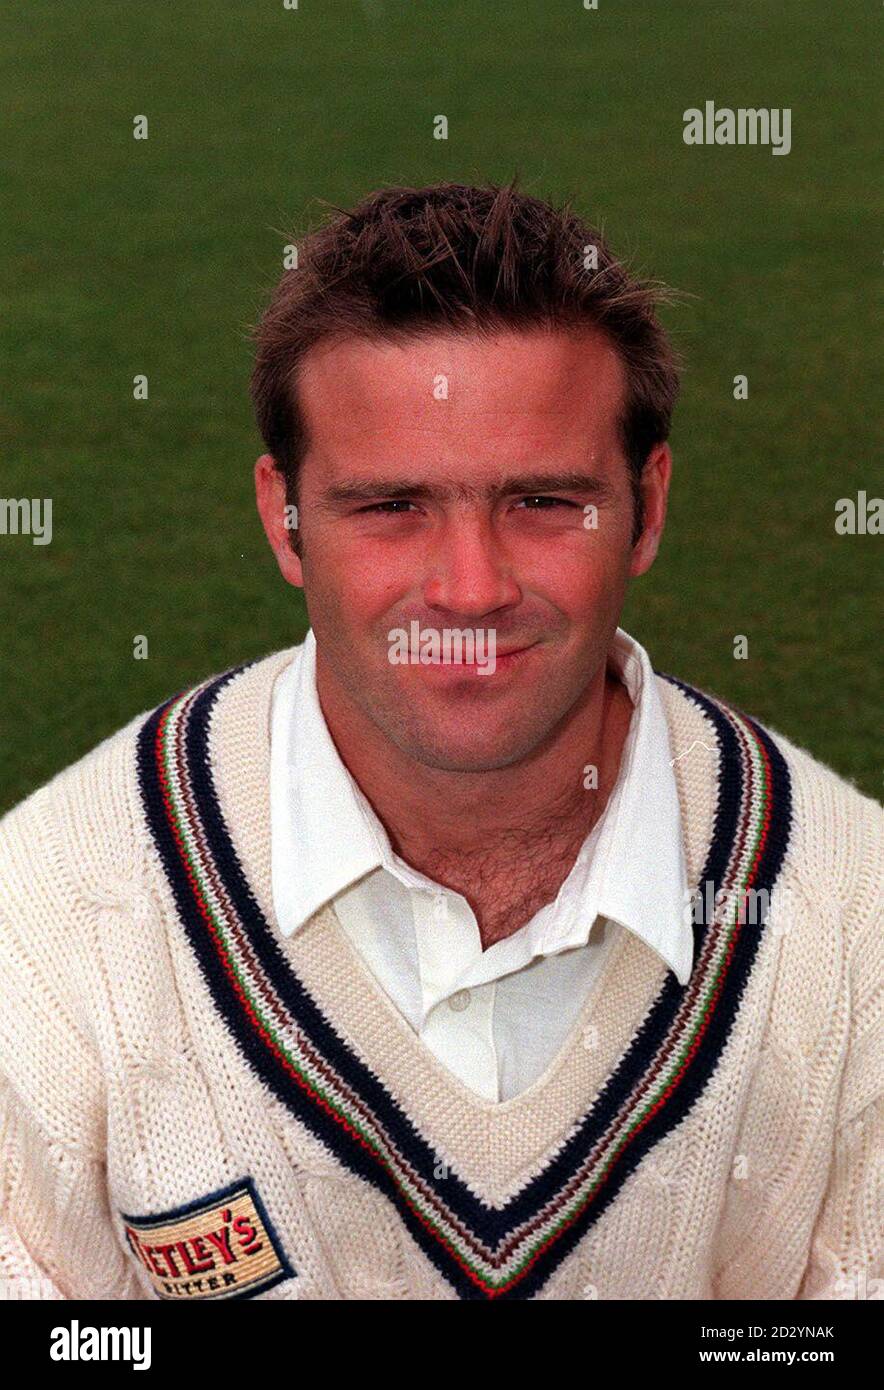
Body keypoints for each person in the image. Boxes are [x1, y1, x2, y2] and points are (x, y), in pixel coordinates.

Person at [0, 181, 880, 1302]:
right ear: (285, 518)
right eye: (390, 506)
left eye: (543, 502)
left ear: (647, 509)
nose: (468, 591)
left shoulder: (855, 919)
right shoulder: (44, 912)